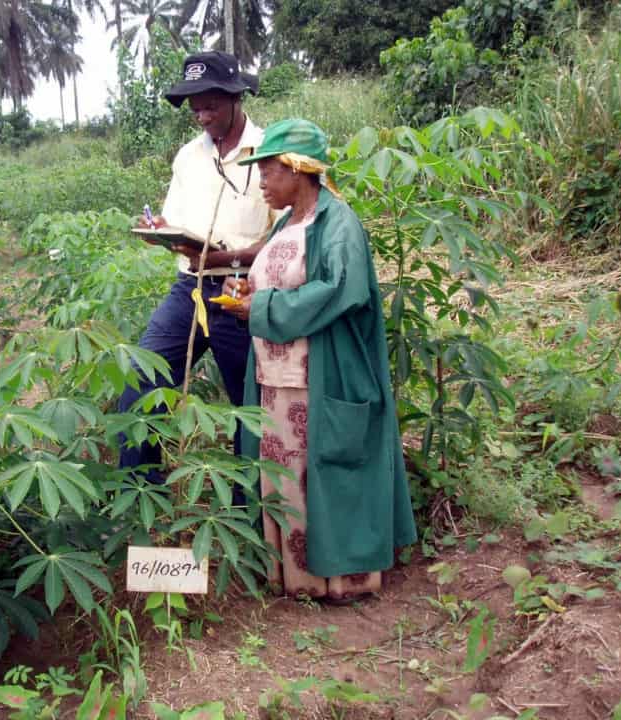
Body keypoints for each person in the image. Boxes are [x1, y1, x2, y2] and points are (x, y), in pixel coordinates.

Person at [221, 118, 417, 601]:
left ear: (297, 168)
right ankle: (294, 578)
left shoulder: (338, 224)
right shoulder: (287, 222)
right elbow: (279, 280)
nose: (261, 182)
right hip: (275, 380)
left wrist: (261, 308)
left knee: (322, 474)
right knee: (285, 478)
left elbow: (339, 290)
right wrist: (244, 290)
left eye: (268, 170)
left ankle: (337, 580)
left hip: (318, 378)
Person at [118, 51, 276, 480]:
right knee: (141, 381)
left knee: (250, 405)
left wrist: (231, 258)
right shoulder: (188, 156)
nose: (203, 117)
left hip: (243, 292)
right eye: (195, 109)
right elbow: (176, 219)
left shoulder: (268, 150)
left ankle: (251, 507)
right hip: (189, 287)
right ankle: (141, 493)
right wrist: (161, 229)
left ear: (236, 98)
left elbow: (285, 237)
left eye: (211, 106)